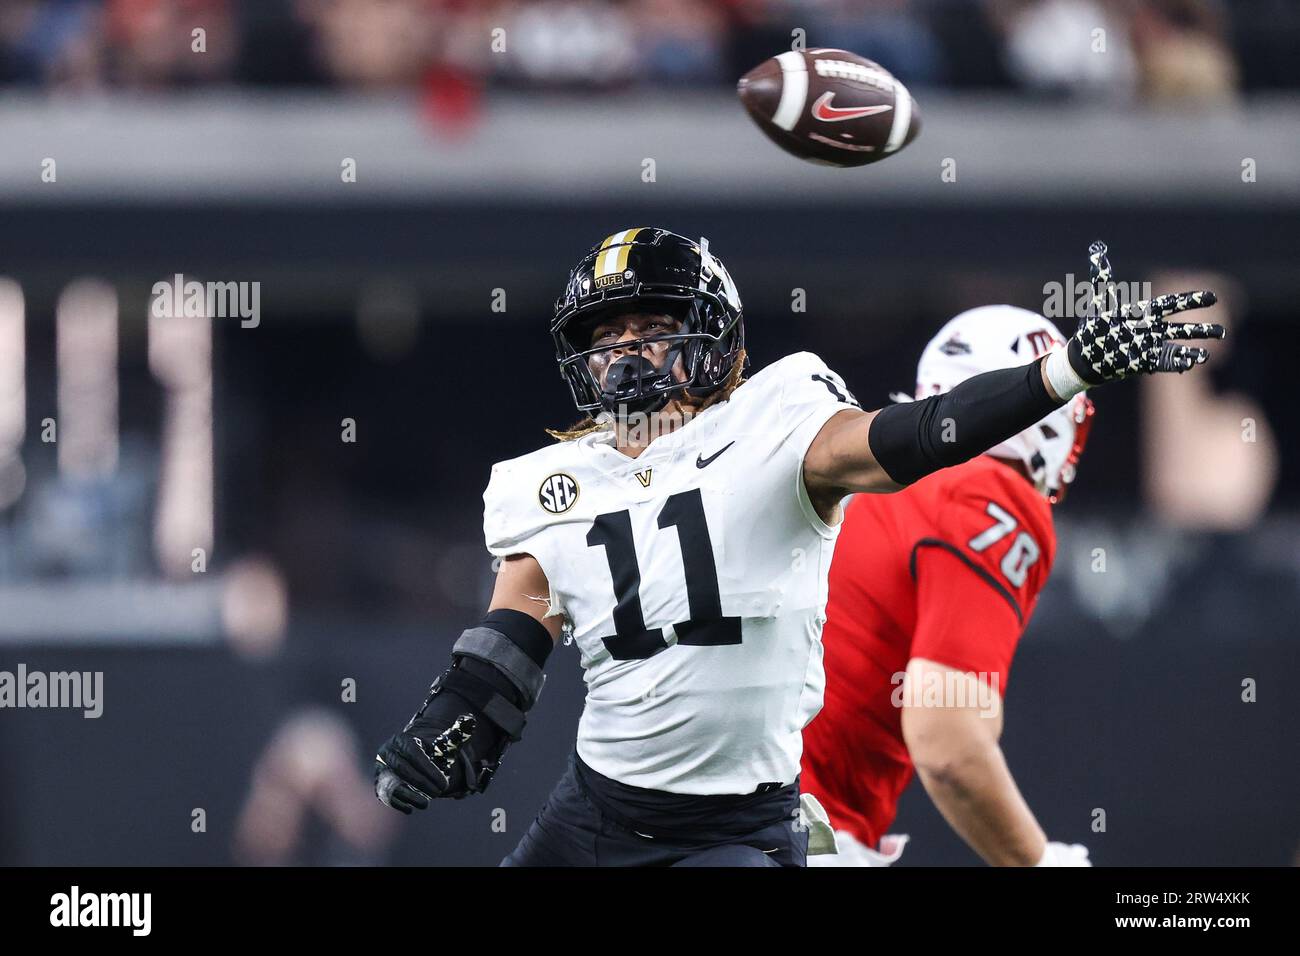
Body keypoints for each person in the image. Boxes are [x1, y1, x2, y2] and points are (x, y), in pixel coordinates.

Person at [372, 230, 1221, 866]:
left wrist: (1060, 374)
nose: (626, 352)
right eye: (606, 334)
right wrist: (454, 722)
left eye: (653, 326)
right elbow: (509, 646)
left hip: (735, 824)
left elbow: (920, 434)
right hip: (592, 808)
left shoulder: (778, 422)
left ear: (715, 338)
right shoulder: (551, 482)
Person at [800, 304, 1096, 867]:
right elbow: (948, 745)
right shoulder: (985, 491)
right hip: (796, 833)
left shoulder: (850, 475)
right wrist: (1038, 863)